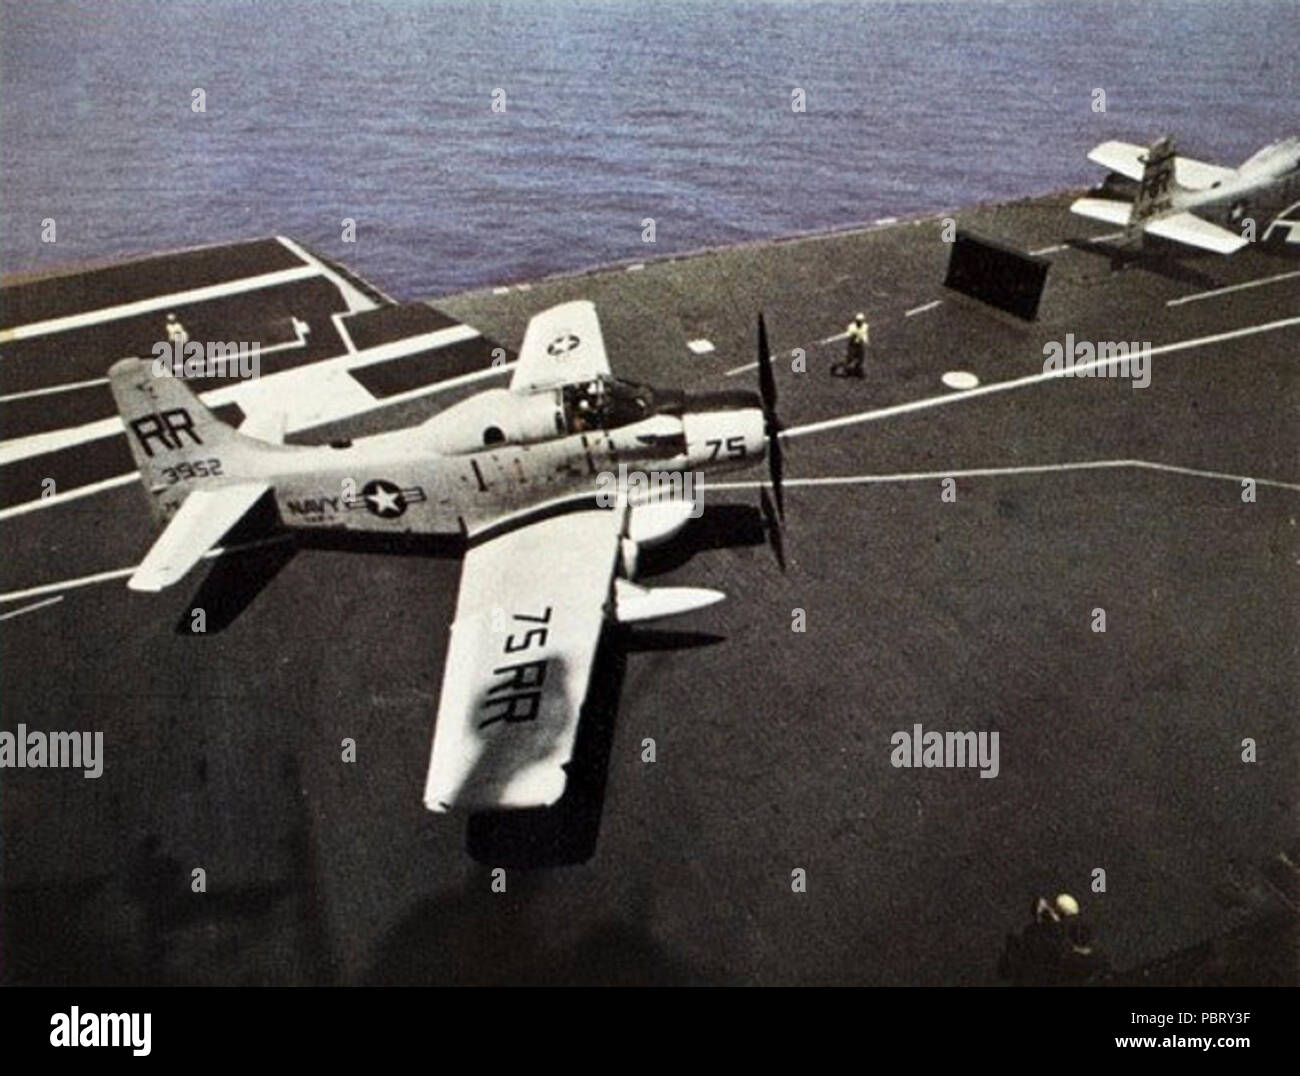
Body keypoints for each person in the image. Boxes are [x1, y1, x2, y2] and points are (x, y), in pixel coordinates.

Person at [839, 312, 869, 377]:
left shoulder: (865, 326)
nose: (859, 323)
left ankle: (858, 370)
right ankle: (844, 370)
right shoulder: (852, 327)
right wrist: (851, 334)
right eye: (858, 321)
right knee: (850, 358)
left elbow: (864, 334)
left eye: (861, 321)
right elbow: (848, 334)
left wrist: (865, 340)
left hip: (860, 345)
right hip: (853, 345)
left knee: (861, 358)